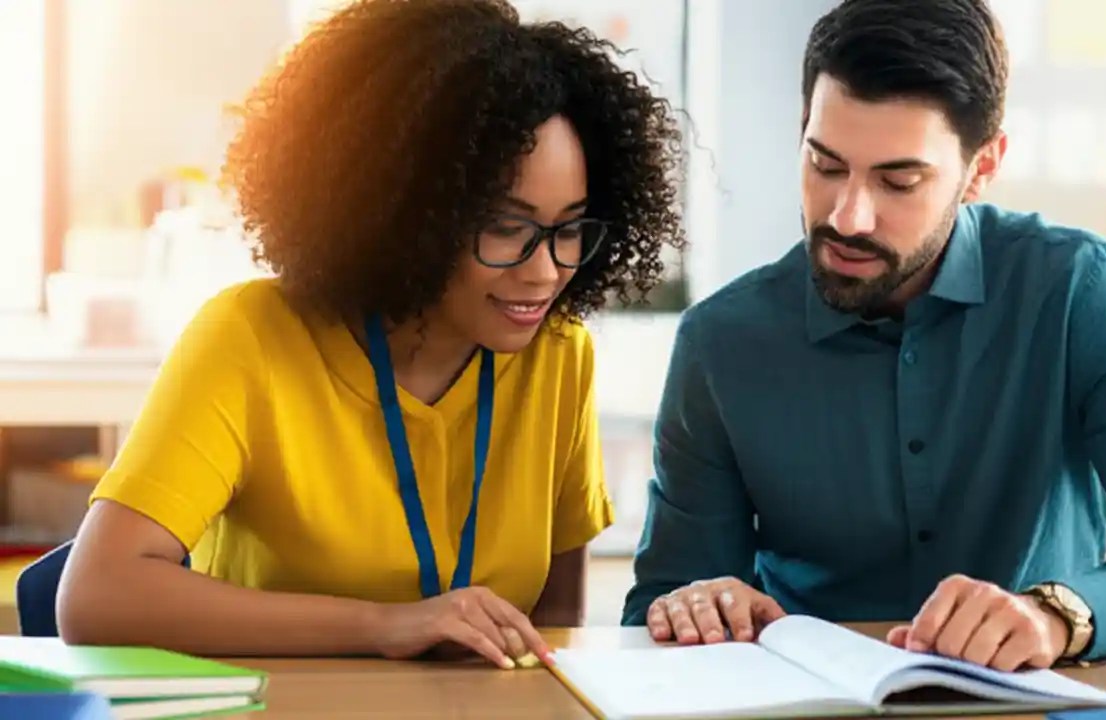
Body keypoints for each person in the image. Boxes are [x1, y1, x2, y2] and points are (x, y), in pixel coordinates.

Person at [622, 0, 1106, 671]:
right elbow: (660, 607)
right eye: (826, 165)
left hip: (1030, 707)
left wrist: (1056, 616)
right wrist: (696, 608)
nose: (848, 216)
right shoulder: (720, 342)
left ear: (983, 167)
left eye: (898, 181)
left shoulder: (1078, 289)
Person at [58, 0, 684, 669]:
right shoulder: (250, 339)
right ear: (409, 214)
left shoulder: (557, 355)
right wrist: (385, 625)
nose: (545, 271)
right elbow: (96, 595)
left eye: (568, 229)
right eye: (507, 226)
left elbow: (552, 630)